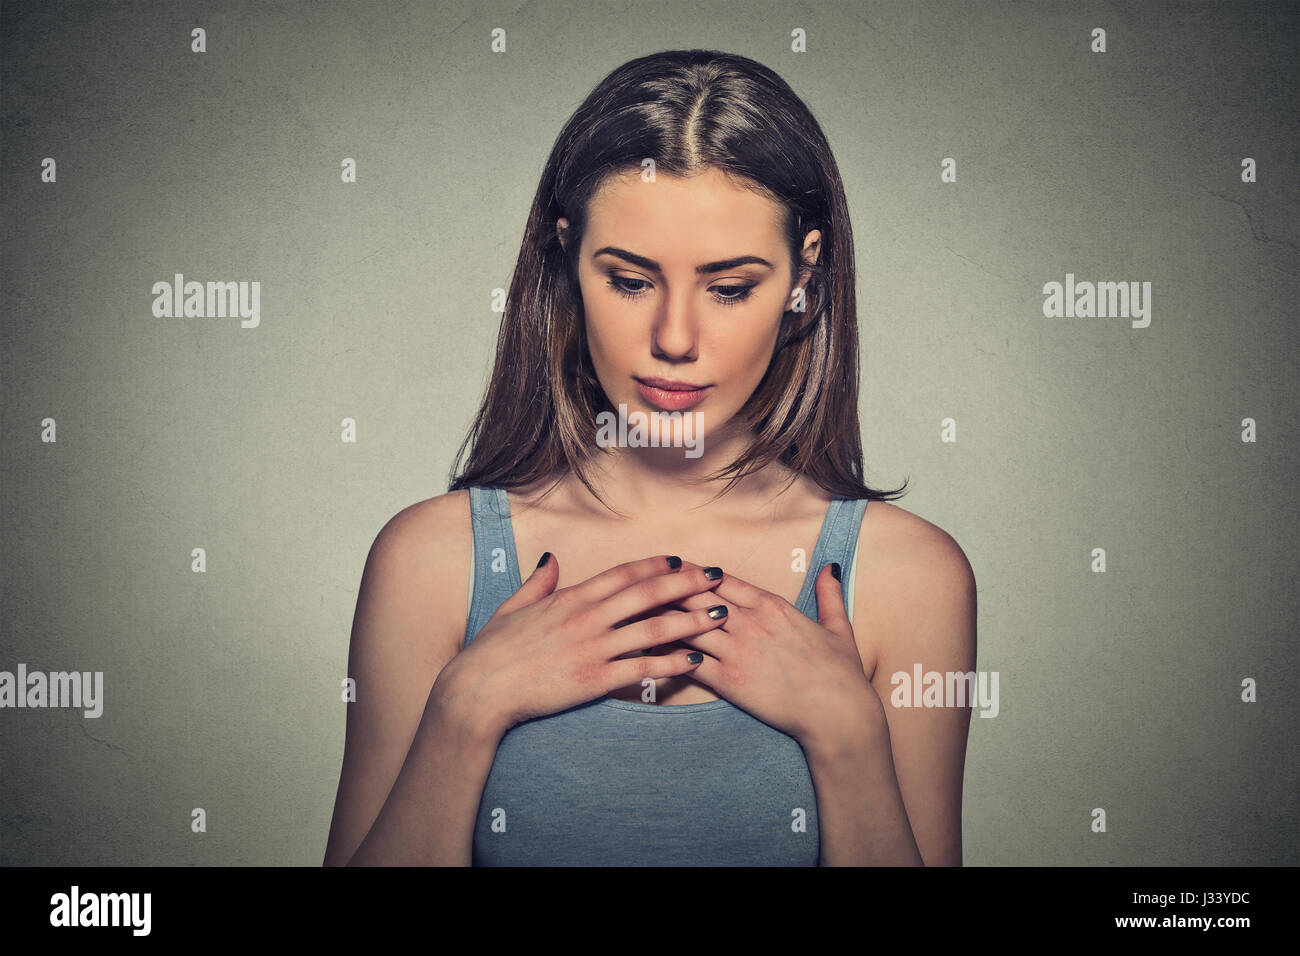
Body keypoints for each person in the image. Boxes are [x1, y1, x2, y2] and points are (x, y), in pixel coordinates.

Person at [323, 49, 975, 866]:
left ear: (805, 278)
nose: (674, 339)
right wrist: (465, 709)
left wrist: (847, 739)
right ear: (565, 261)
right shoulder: (428, 562)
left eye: (730, 288)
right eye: (631, 281)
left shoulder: (909, 579)